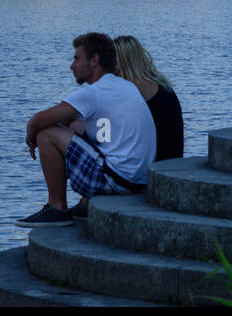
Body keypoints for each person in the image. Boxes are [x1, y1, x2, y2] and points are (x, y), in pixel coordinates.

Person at [16, 33, 156, 227]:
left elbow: (36, 122)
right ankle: (72, 206)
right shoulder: (126, 86)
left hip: (114, 182)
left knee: (46, 134)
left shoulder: (95, 92)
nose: (71, 66)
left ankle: (57, 208)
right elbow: (73, 122)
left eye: (76, 59)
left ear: (94, 60)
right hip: (137, 182)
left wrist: (32, 137)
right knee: (66, 125)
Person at [112, 35, 183, 162]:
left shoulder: (132, 87)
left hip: (152, 166)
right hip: (171, 160)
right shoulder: (160, 85)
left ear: (121, 62)